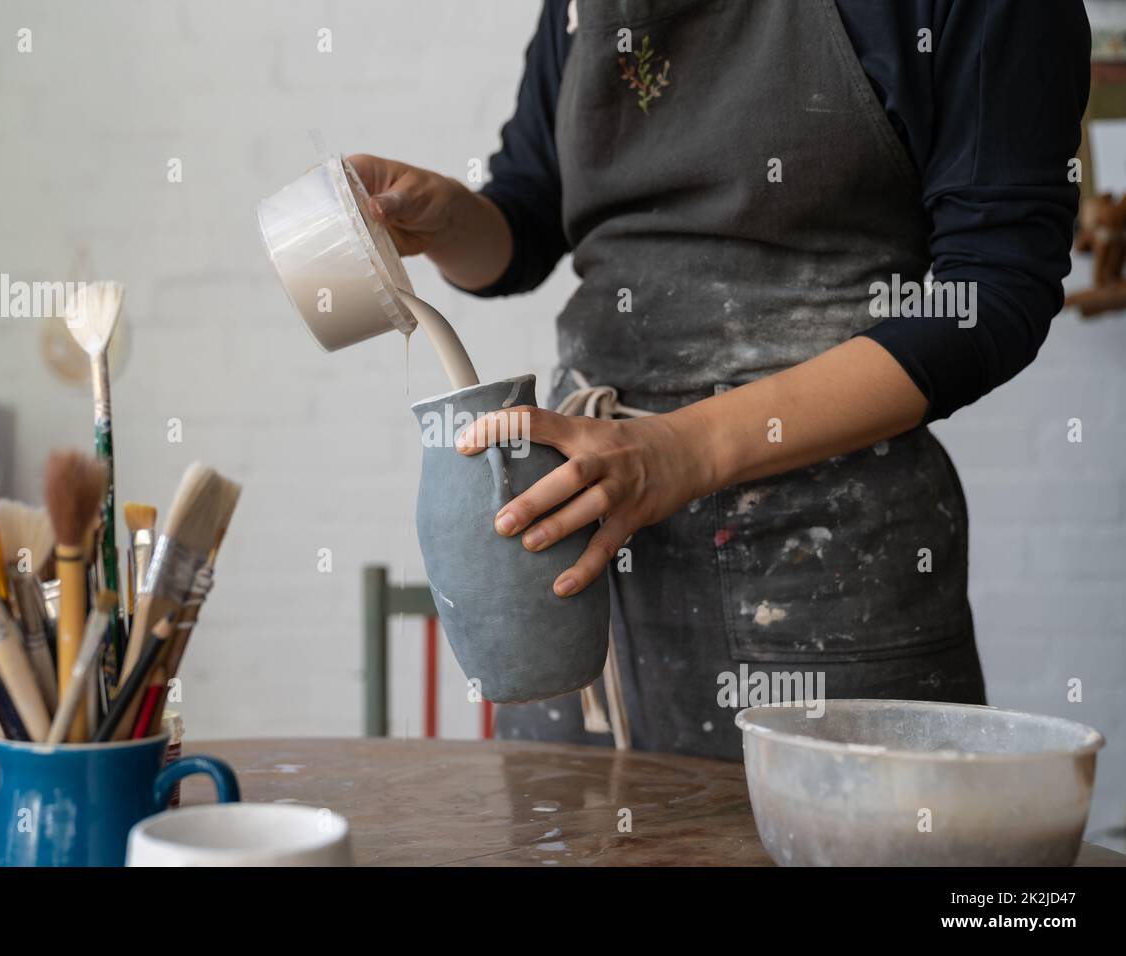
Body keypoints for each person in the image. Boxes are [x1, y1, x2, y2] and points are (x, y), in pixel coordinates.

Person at [349, 0, 1090, 759]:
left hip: (824, 564)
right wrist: (448, 222)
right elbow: (530, 220)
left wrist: (681, 451)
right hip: (589, 551)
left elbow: (994, 293)